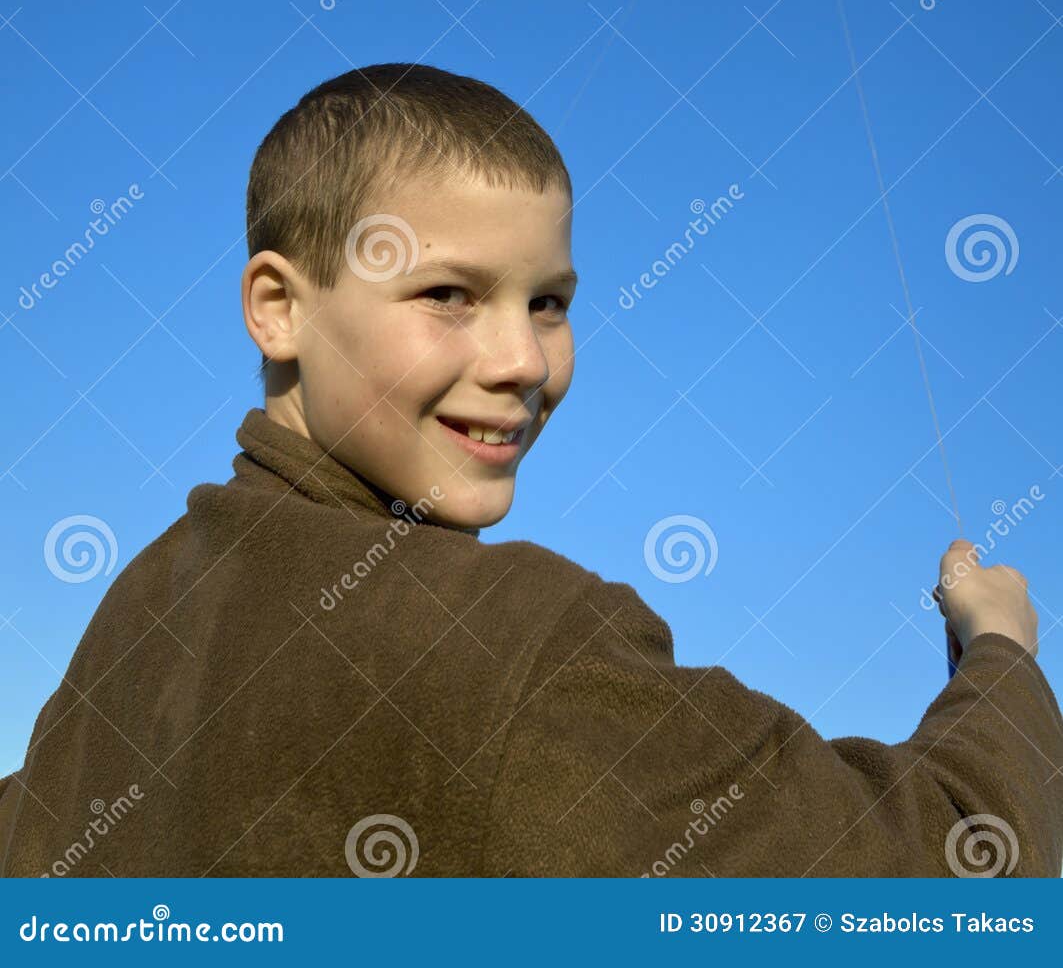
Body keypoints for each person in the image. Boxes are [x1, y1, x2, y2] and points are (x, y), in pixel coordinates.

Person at [1, 64, 1060, 878]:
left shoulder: (122, 638)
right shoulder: (518, 643)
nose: (524, 362)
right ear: (278, 307)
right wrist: (999, 651)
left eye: (547, 302)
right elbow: (964, 876)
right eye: (446, 294)